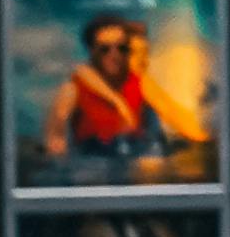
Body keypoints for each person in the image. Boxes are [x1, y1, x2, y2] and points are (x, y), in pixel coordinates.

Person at [48, 11, 197, 174]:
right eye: (104, 49)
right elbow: (56, 139)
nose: (114, 55)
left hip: (138, 163)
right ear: (92, 50)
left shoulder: (139, 83)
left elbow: (169, 113)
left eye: (122, 48)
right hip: (94, 165)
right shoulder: (74, 89)